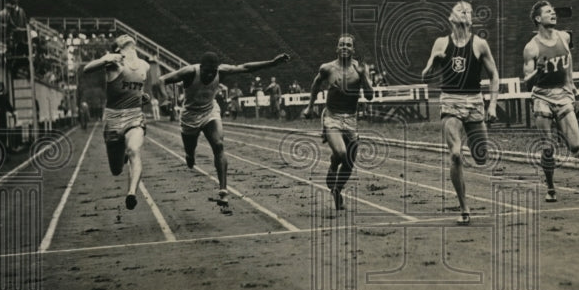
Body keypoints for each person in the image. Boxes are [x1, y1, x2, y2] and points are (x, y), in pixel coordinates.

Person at [162, 50, 290, 209]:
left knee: (218, 145)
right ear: (200, 68)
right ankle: (190, 154)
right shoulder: (189, 72)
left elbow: (245, 67)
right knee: (190, 150)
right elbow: (161, 80)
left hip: (209, 111)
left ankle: (223, 190)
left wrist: (272, 62)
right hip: (190, 115)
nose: (210, 75)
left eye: (213, 72)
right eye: (207, 72)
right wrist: (164, 99)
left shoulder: (221, 71)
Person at [421, 1, 499, 225]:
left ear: (471, 19)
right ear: (450, 17)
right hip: (450, 101)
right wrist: (433, 62)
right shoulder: (441, 43)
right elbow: (425, 77)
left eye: (469, 11)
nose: (465, 12)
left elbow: (494, 75)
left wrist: (492, 105)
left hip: (474, 102)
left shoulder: (480, 44)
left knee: (481, 157)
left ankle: (474, 152)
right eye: (460, 10)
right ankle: (464, 208)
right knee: (455, 154)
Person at [302, 35, 374, 212]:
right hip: (332, 117)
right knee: (341, 152)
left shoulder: (360, 69)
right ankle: (334, 164)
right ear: (336, 48)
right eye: (341, 44)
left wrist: (363, 76)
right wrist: (310, 107)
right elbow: (315, 84)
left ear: (353, 49)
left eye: (348, 45)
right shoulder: (327, 68)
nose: (344, 47)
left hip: (351, 119)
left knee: (349, 161)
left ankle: (337, 190)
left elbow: (370, 96)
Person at [82, 35, 152, 210]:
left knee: (134, 150)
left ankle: (131, 193)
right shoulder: (114, 63)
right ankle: (123, 157)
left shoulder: (145, 65)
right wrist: (105, 59)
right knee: (116, 169)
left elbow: (136, 87)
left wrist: (142, 96)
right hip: (113, 119)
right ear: (118, 48)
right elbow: (86, 69)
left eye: (128, 36)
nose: (126, 36)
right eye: (122, 38)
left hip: (134, 116)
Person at [522, 1, 579, 202]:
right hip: (542, 96)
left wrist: (571, 82)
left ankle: (560, 130)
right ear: (538, 18)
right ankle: (550, 187)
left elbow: (569, 58)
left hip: (562, 93)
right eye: (548, 12)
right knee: (547, 148)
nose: (553, 14)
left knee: (575, 145)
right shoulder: (531, 48)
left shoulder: (564, 37)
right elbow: (527, 82)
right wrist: (537, 71)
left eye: (554, 11)